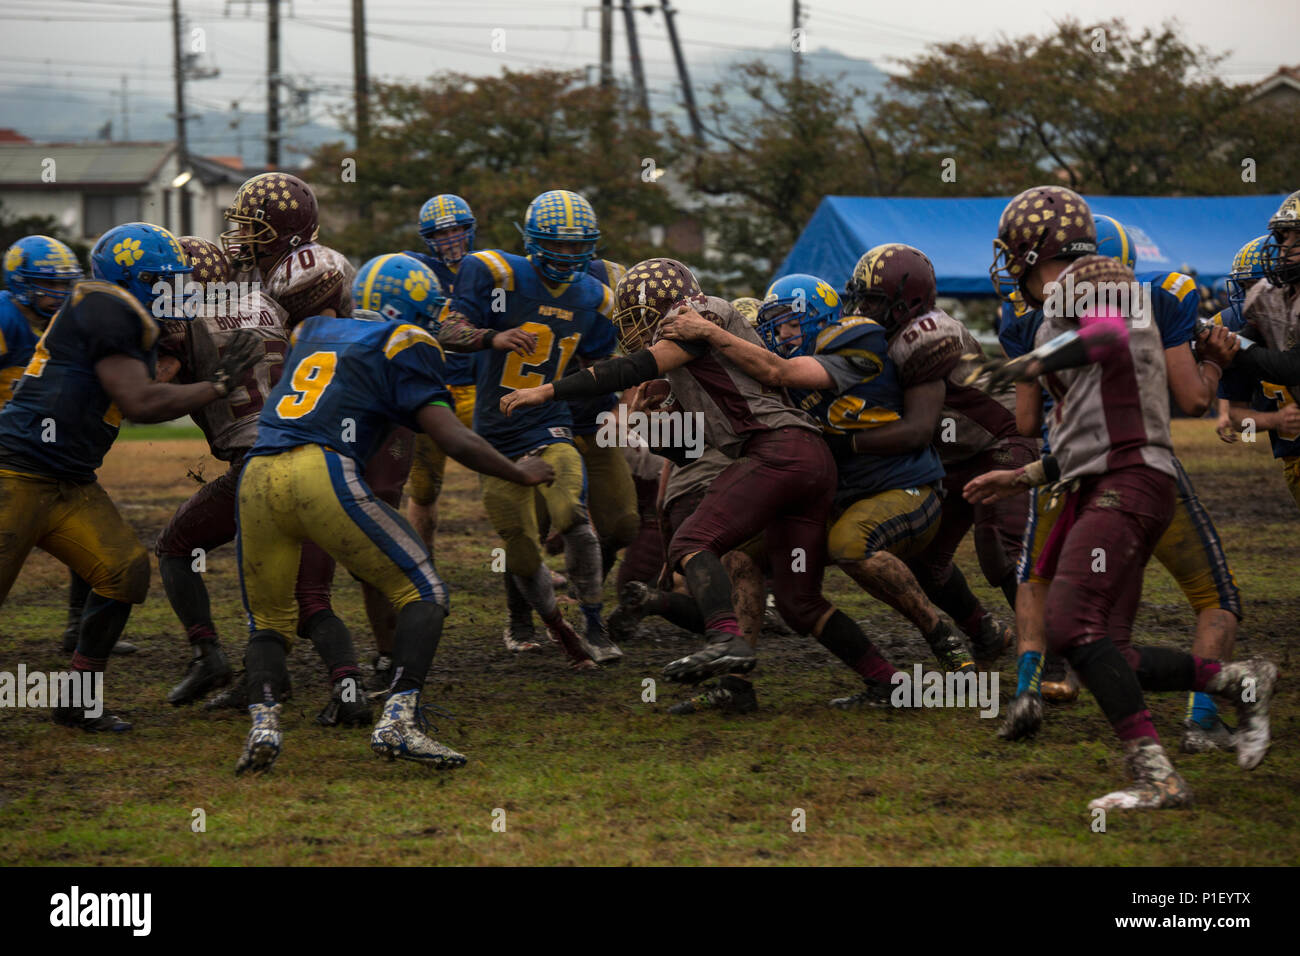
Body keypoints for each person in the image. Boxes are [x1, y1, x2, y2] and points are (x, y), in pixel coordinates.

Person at [971, 186, 1276, 809]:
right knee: (1110, 651)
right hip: (1100, 477)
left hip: (1128, 480)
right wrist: (1022, 477)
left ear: (1034, 247)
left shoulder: (1094, 278)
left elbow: (1108, 334)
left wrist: (1019, 368)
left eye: (1012, 252)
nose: (1007, 267)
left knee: (1067, 624)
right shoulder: (1066, 297)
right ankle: (1238, 684)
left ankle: (1158, 776)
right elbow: (1092, 426)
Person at [501, 258, 903, 710]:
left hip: (779, 451)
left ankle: (725, 638)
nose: (634, 326)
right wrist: (650, 421)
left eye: (637, 313)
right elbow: (686, 451)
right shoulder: (691, 358)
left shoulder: (700, 314)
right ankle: (887, 682)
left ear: (662, 307)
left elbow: (631, 367)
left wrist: (546, 391)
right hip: (799, 459)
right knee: (799, 603)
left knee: (693, 539)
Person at [233, 252, 555, 774]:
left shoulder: (312, 330)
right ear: (415, 311)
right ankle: (400, 721)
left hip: (257, 474)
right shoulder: (407, 341)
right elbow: (451, 435)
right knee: (424, 590)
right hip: (321, 470)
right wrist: (519, 474)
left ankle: (264, 724)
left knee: (269, 619)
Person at [0, 222, 261, 730]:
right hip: (15, 473)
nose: (174, 291)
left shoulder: (123, 315)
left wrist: (199, 375)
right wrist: (217, 384)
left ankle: (76, 700)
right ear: (128, 278)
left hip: (69, 480)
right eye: (160, 280)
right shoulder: (105, 305)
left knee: (123, 571)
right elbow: (140, 402)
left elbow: (146, 393)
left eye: (176, 280)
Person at [436, 188, 621, 668]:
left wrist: (626, 393)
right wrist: (492, 336)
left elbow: (600, 362)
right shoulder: (495, 273)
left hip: (551, 425)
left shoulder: (595, 297)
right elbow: (448, 330)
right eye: (557, 245)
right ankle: (545, 625)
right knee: (519, 545)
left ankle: (596, 625)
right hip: (496, 434)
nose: (567, 254)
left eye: (577, 245)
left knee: (573, 519)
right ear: (534, 241)